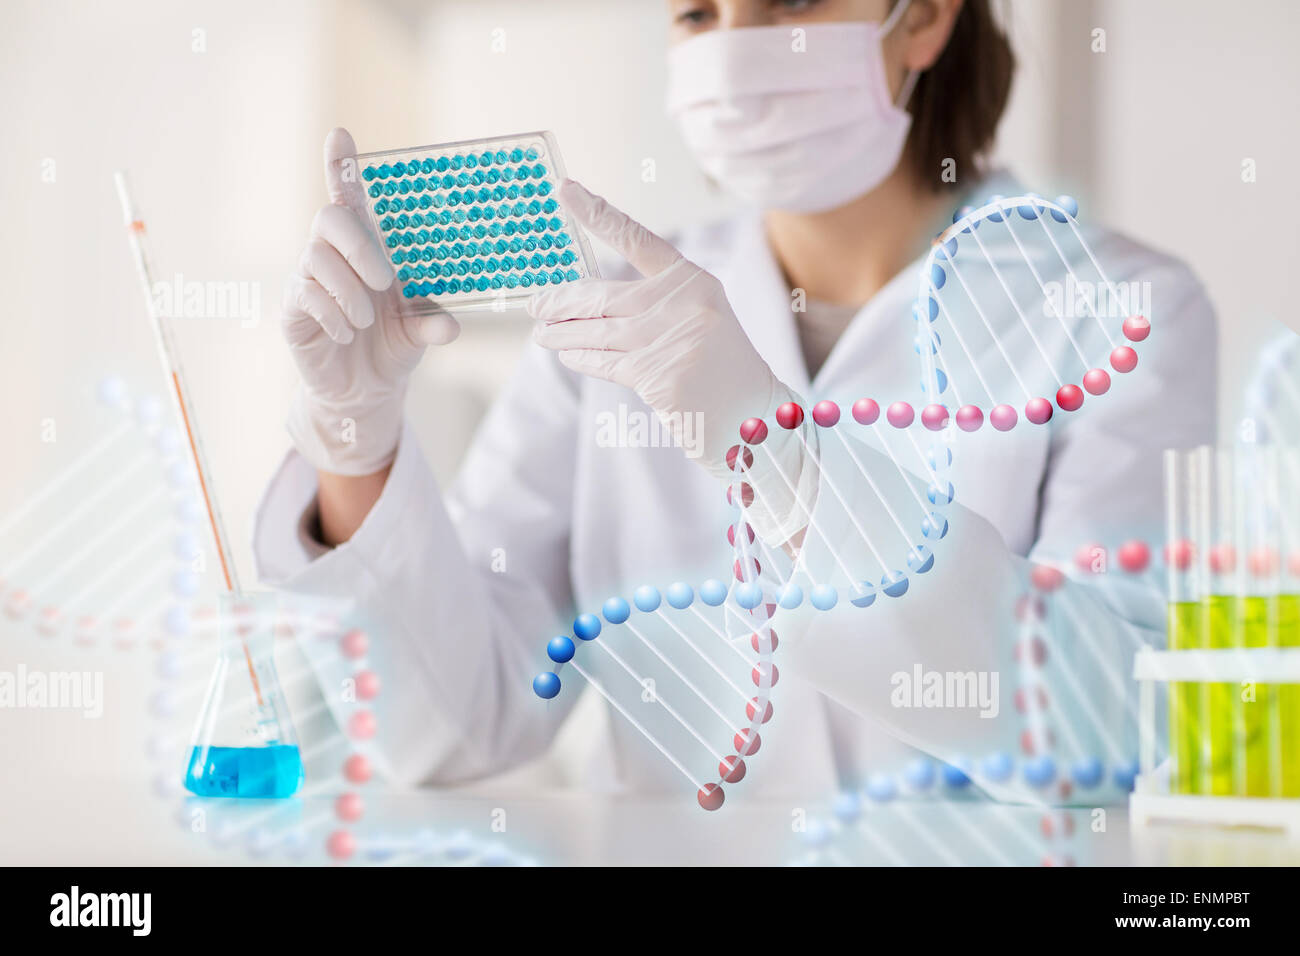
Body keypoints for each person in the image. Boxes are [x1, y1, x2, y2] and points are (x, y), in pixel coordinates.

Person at [255, 0, 1215, 798]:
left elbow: (1106, 730)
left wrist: (783, 464)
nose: (735, 51)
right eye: (697, 14)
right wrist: (356, 441)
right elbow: (456, 725)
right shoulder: (612, 309)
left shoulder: (1120, 310)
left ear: (922, 18)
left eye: (789, 2)